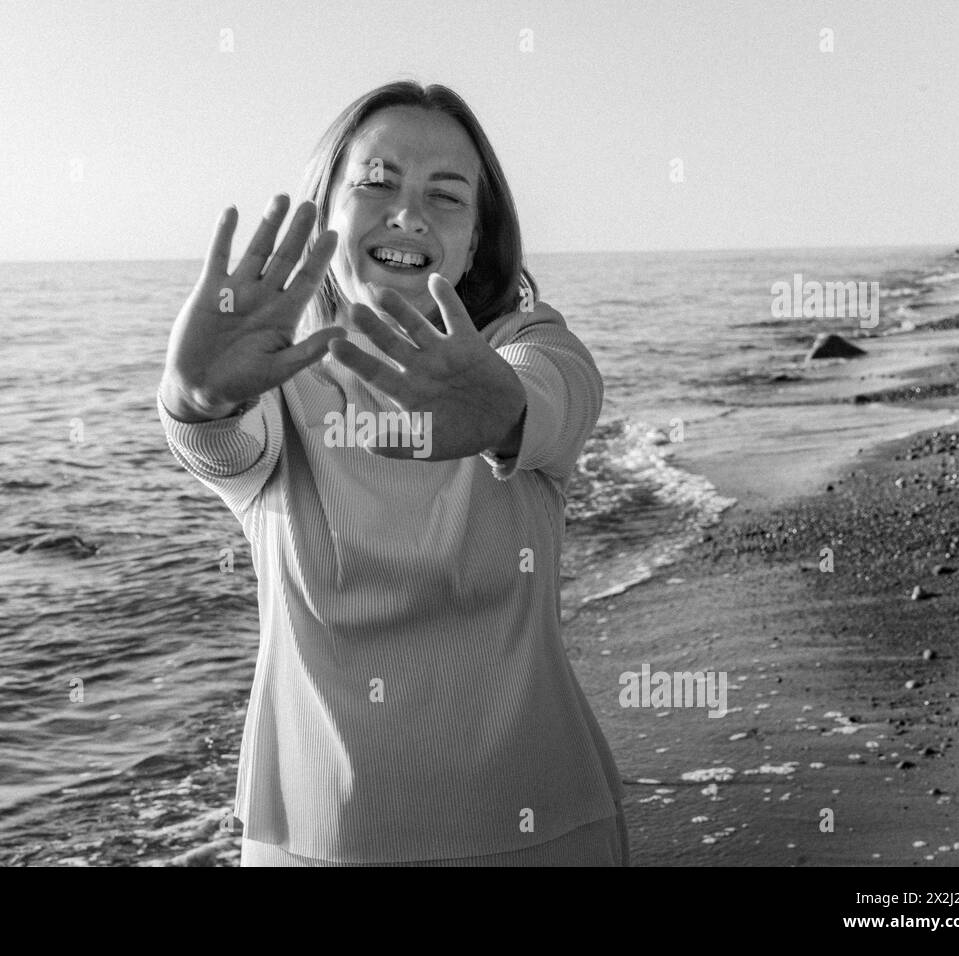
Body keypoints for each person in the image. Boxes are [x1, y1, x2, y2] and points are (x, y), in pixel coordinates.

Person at [159, 81, 627, 866]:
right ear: (325, 212)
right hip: (316, 834)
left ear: (475, 243)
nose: (408, 214)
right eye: (377, 183)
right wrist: (196, 397)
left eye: (446, 196)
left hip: (537, 825)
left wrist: (503, 413)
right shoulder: (278, 383)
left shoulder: (524, 342)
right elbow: (223, 447)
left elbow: (560, 395)